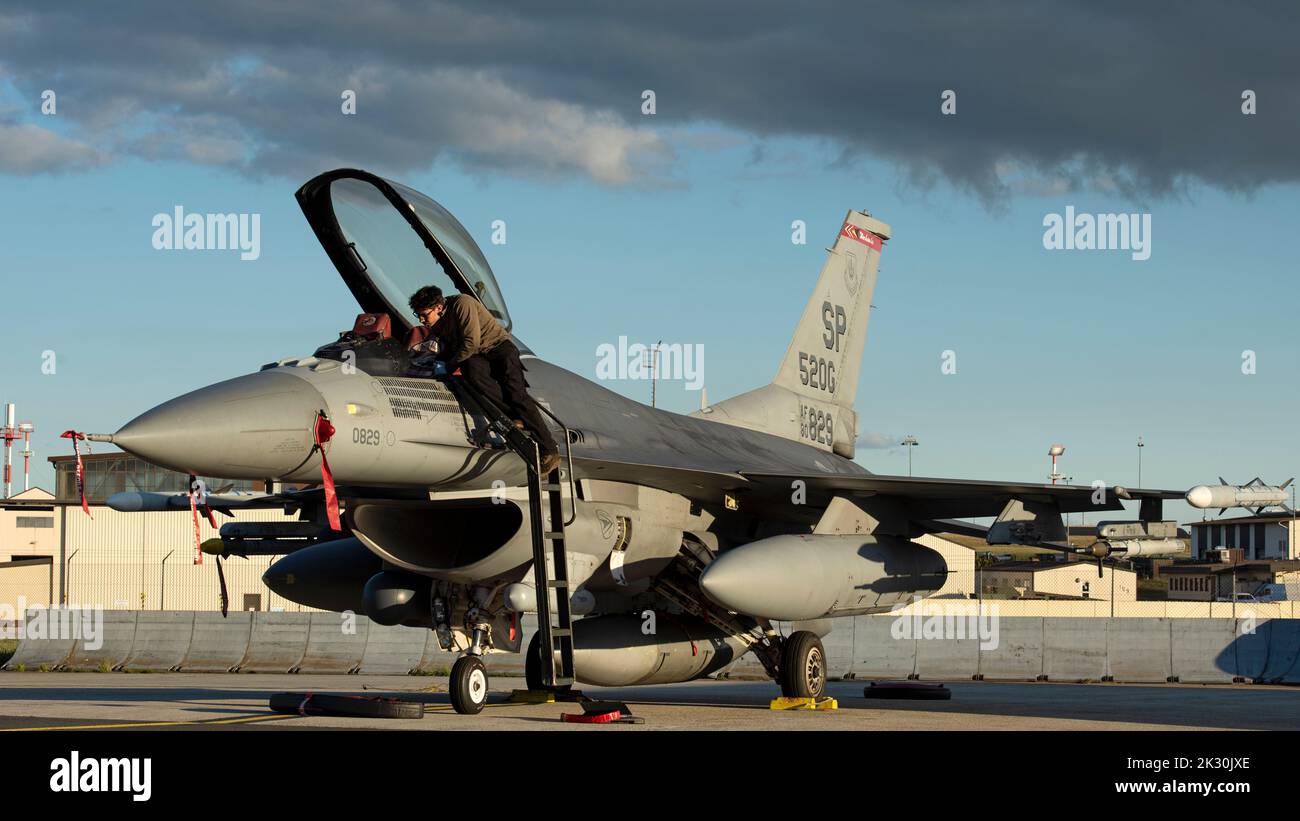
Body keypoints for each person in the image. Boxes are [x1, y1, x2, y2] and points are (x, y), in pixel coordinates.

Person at [407, 285, 561, 474]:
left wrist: (449, 365)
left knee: (516, 395)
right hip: (477, 355)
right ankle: (512, 417)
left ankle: (550, 450)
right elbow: (449, 346)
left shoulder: (462, 303)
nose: (422, 320)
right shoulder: (436, 323)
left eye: (424, 314)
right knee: (473, 375)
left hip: (498, 348)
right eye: (418, 315)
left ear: (438, 307)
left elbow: (471, 342)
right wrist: (440, 363)